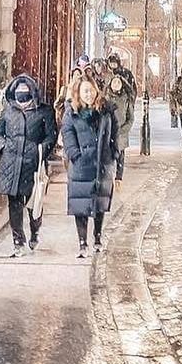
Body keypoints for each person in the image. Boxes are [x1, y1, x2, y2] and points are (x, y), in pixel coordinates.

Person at [0, 74, 57, 256]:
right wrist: (2, 147)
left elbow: (51, 135)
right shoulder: (8, 111)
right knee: (14, 202)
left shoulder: (43, 111)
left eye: (26, 92)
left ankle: (34, 231)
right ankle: (18, 240)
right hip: (11, 163)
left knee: (33, 202)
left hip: (33, 164)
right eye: (19, 92)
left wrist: (40, 150)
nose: (22, 95)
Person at [61, 75, 118, 258]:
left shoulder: (105, 111)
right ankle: (82, 242)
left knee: (100, 202)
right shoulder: (72, 113)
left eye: (91, 90)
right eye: (85, 91)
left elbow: (114, 135)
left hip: (101, 163)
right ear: (78, 93)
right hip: (81, 165)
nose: (88, 94)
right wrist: (76, 155)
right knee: (81, 204)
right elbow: (68, 136)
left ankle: (98, 236)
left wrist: (113, 154)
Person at [106, 71, 134, 191]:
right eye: (114, 82)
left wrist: (124, 129)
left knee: (120, 156)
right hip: (108, 131)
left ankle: (119, 178)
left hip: (121, 133)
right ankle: (107, 177)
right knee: (107, 155)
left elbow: (130, 118)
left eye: (118, 82)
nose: (116, 84)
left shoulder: (126, 99)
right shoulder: (105, 98)